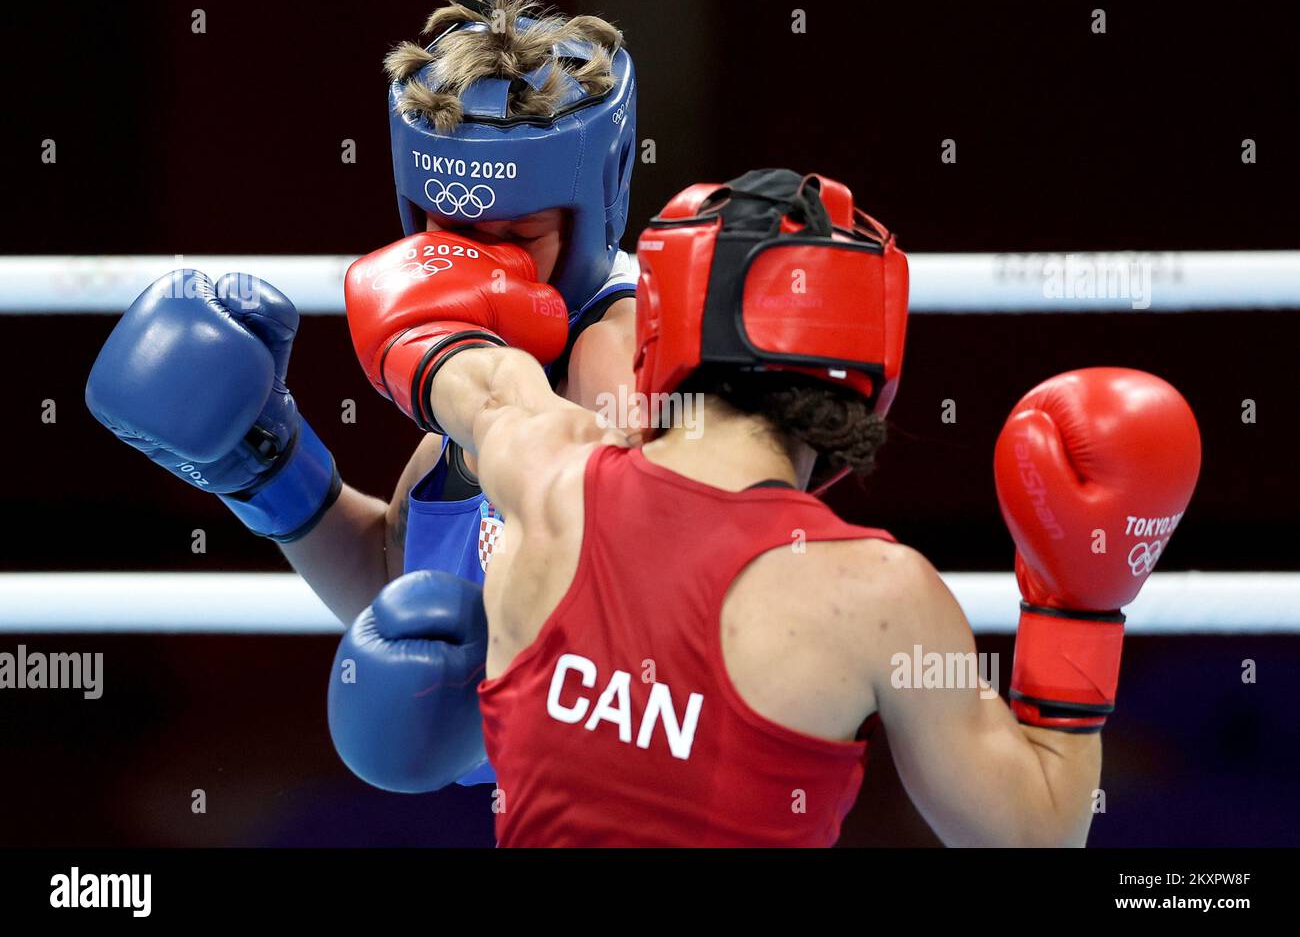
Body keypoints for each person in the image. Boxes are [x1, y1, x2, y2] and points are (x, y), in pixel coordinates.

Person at [341, 167, 1202, 845]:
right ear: (869, 376)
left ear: (659, 327)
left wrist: (443, 305)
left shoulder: (540, 469)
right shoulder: (878, 595)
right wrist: (1076, 606)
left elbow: (464, 365)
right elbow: (1034, 835)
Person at [83, 0, 638, 791]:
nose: (480, 267)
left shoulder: (617, 359)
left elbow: (634, 628)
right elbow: (395, 581)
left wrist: (482, 710)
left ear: (595, 206)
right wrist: (269, 466)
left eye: (516, 237)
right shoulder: (480, 353)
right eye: (450, 236)